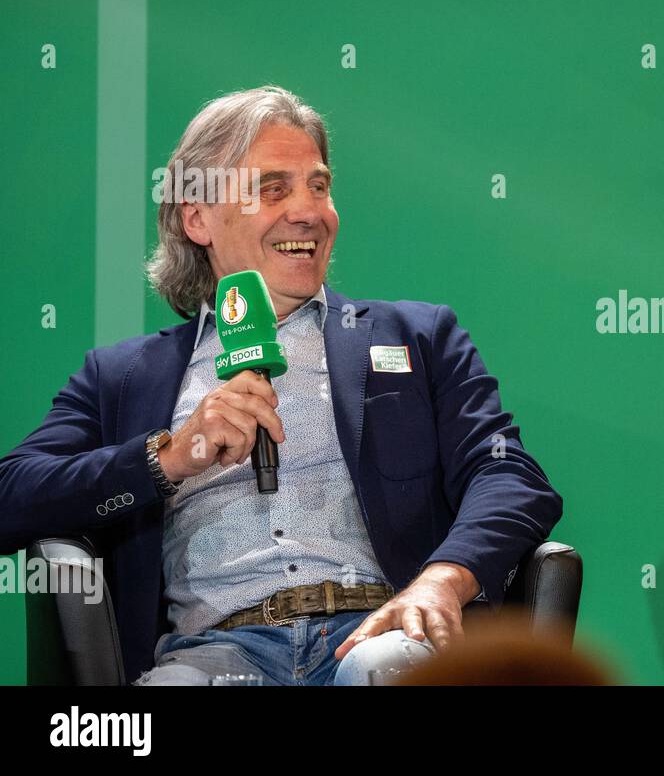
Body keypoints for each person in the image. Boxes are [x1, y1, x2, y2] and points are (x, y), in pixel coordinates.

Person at [0, 86, 562, 686]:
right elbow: (12, 496)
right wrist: (169, 456)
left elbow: (511, 477)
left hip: (377, 635)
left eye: (319, 186)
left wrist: (445, 577)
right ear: (198, 218)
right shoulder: (121, 377)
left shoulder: (420, 338)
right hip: (212, 654)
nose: (309, 211)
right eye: (273, 189)